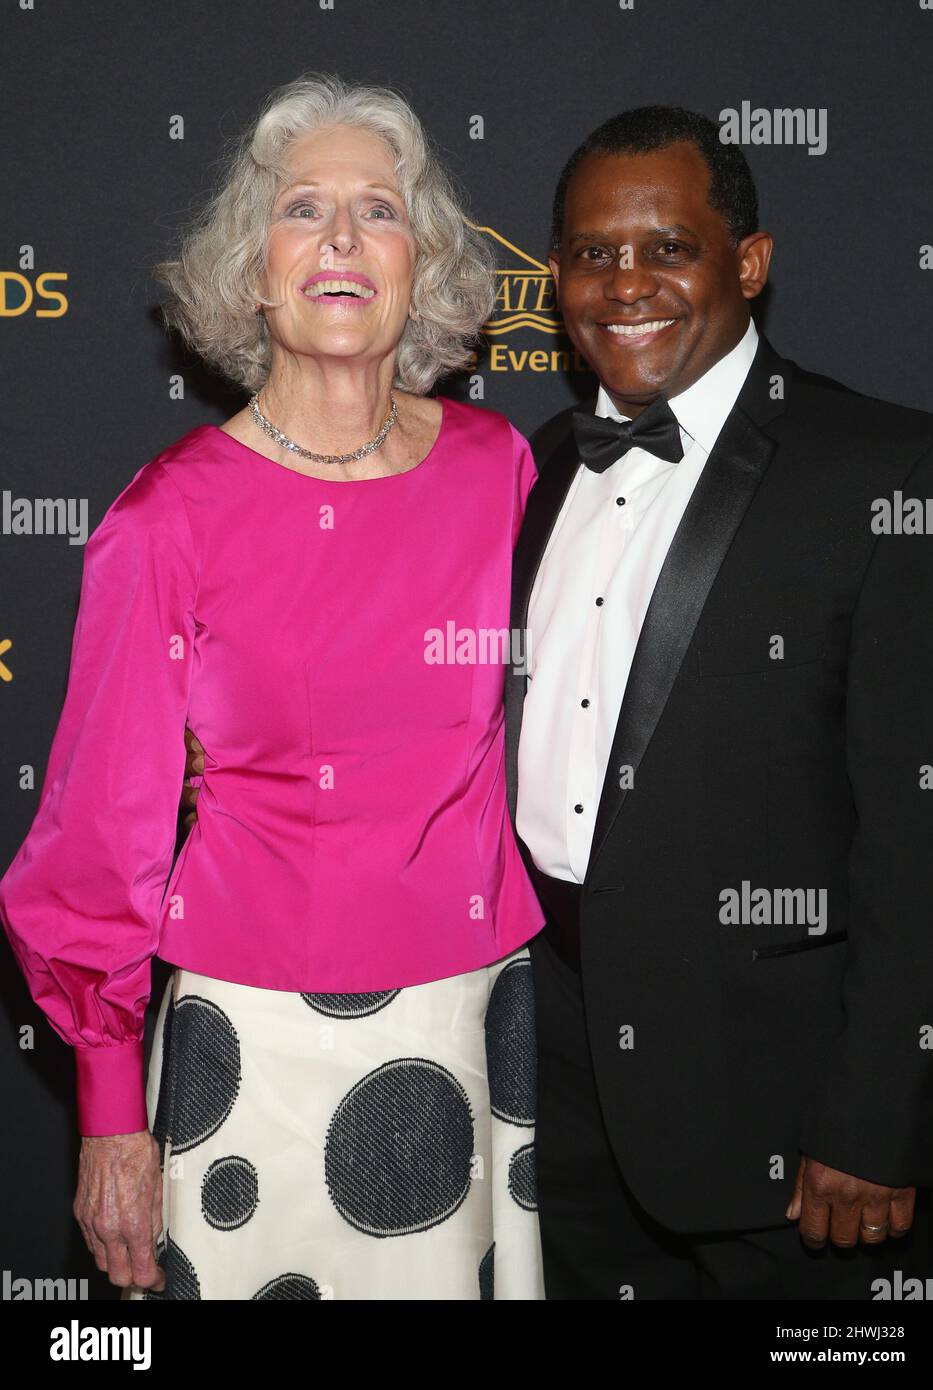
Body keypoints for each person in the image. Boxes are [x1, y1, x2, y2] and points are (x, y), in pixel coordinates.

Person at [0, 72, 546, 1301]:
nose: (344, 239)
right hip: (257, 1038)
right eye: (304, 209)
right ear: (253, 268)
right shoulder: (169, 517)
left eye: (381, 210)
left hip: (477, 1012)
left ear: (428, 266)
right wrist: (105, 1109)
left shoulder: (495, 467)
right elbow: (97, 839)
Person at [504, 105, 933, 1299]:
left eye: (668, 246)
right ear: (556, 279)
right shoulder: (530, 470)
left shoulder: (890, 474)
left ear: (747, 264)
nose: (626, 283)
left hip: (796, 1131)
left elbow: (928, 840)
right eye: (594, 254)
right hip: (557, 1097)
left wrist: (877, 1115)